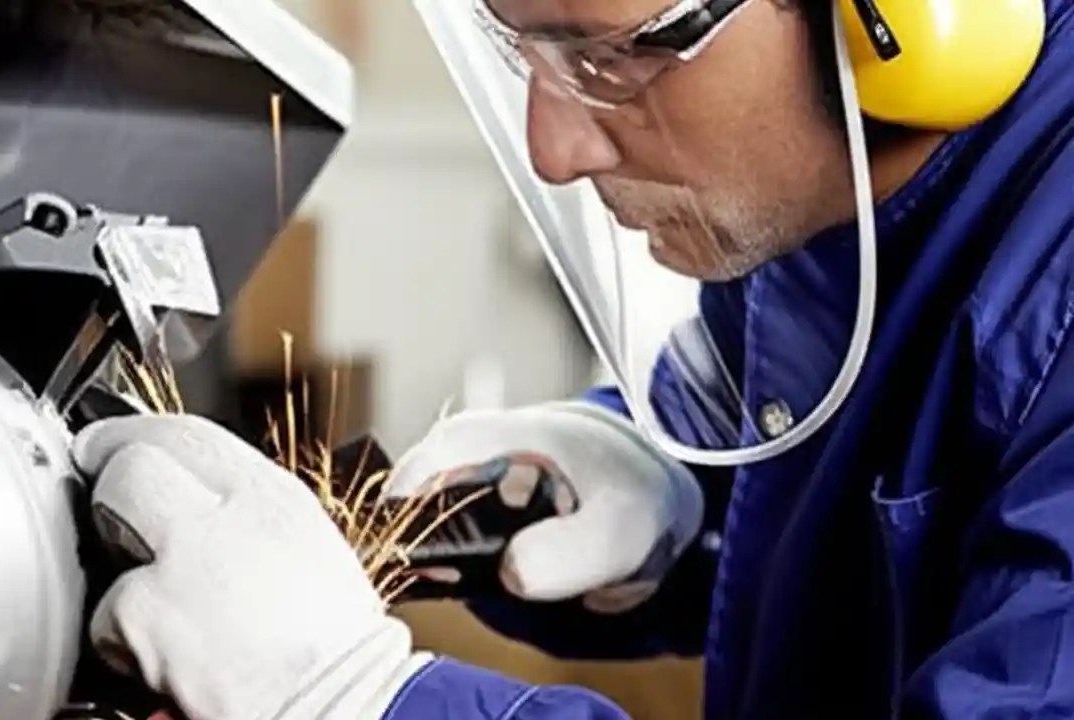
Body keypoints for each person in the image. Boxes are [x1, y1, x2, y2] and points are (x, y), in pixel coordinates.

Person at [72, 0, 1074, 717]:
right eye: (520, 55)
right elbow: (830, 469)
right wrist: (677, 503)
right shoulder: (817, 209)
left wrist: (358, 700)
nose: (552, 149)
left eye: (604, 58)